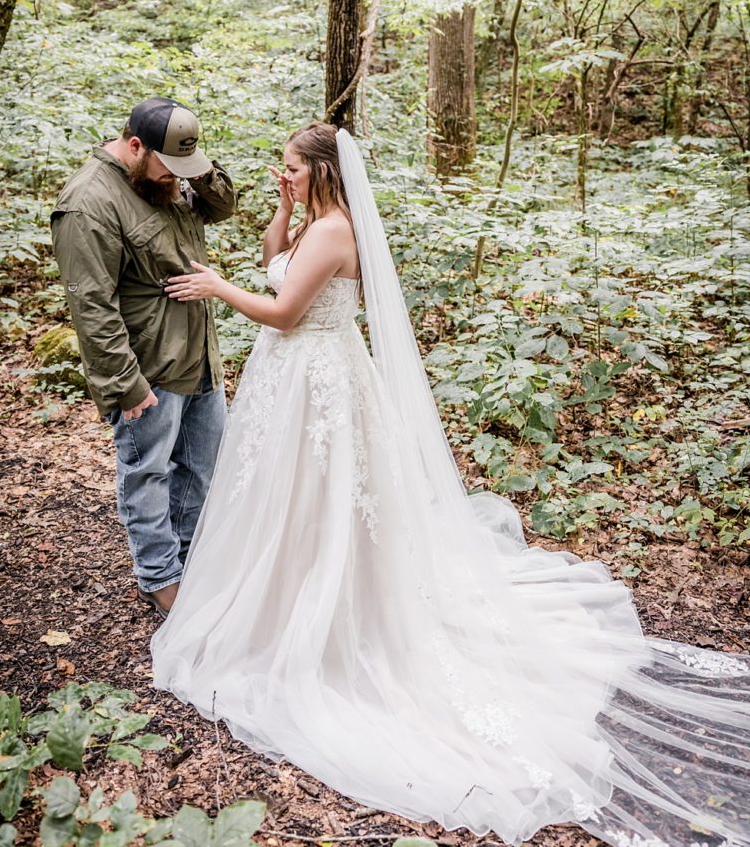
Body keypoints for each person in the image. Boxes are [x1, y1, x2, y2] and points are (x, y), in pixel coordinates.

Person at [151, 122, 749, 847]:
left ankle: (328, 620)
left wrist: (217, 287)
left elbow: (282, 310)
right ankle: (280, 598)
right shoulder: (313, 220)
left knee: (320, 503)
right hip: (291, 381)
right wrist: (282, 209)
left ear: (325, 172)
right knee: (286, 503)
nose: (286, 177)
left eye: (293, 170)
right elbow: (274, 262)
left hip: (319, 384)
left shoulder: (336, 231)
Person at [51, 97, 236, 619]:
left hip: (198, 352)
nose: (176, 176)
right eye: (168, 165)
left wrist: (197, 173)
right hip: (148, 364)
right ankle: (159, 577)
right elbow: (91, 305)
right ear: (135, 146)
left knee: (202, 466)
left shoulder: (166, 175)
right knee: (148, 471)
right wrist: (123, 383)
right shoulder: (89, 202)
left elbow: (222, 207)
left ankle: (190, 559)